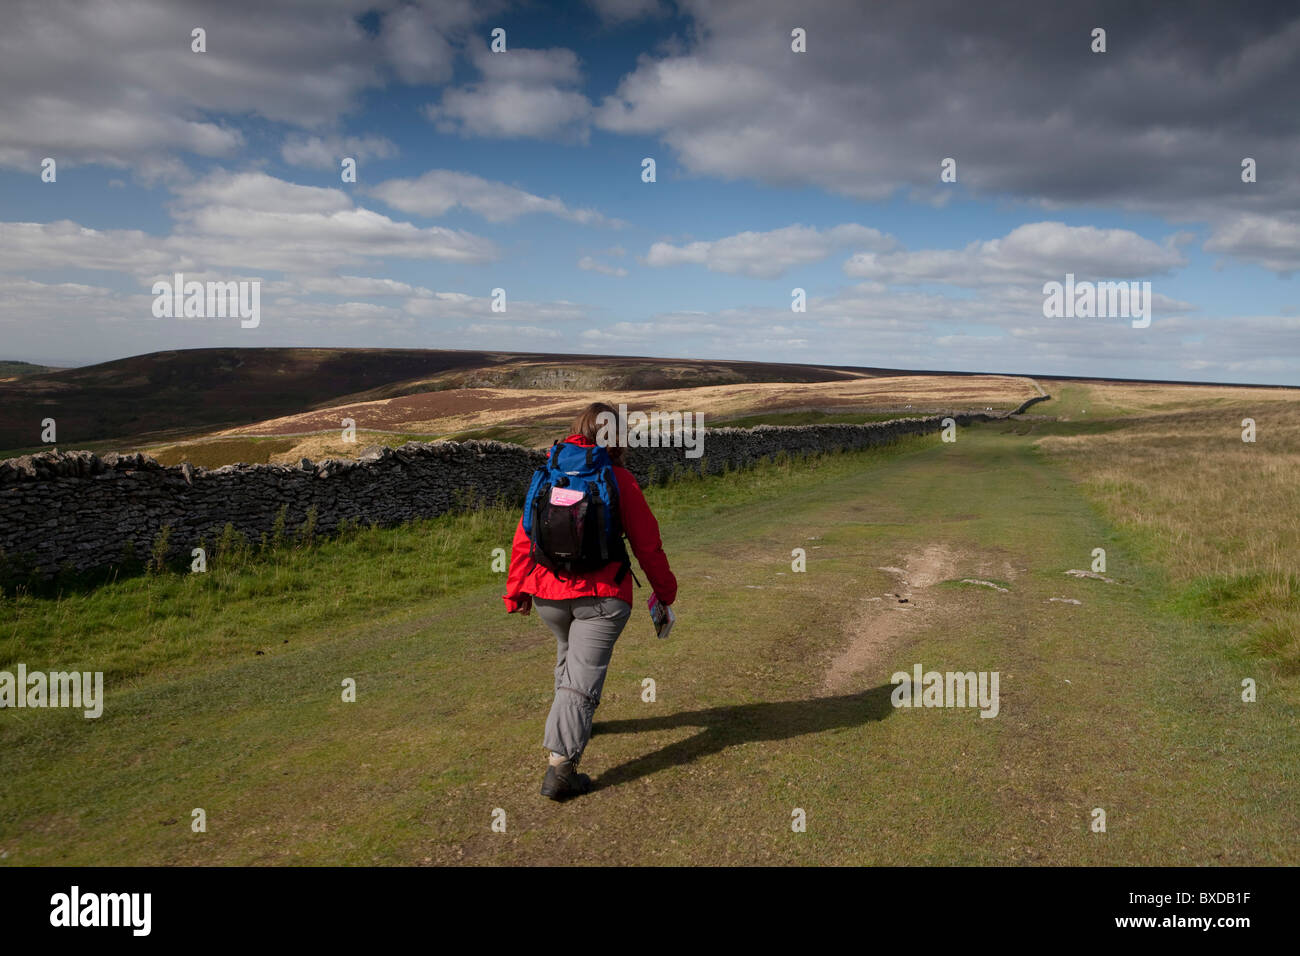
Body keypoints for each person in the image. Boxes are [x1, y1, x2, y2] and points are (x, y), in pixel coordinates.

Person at [503, 401, 677, 800]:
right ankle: (560, 768)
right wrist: (665, 592)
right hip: (601, 597)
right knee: (582, 680)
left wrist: (517, 591)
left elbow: (523, 538)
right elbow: (647, 545)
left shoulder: (549, 473)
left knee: (568, 657)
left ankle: (572, 725)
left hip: (548, 593)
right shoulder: (618, 479)